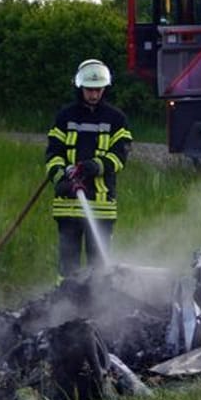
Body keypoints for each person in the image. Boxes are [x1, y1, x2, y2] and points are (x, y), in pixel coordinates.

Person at [45, 59, 132, 278]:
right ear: (80, 87)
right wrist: (60, 180)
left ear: (105, 88)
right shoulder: (65, 117)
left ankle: (97, 309)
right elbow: (53, 153)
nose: (94, 94)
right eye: (89, 90)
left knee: (99, 268)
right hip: (68, 206)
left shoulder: (116, 119)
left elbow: (120, 156)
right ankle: (63, 306)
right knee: (68, 269)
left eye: (98, 90)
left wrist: (95, 166)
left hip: (101, 206)